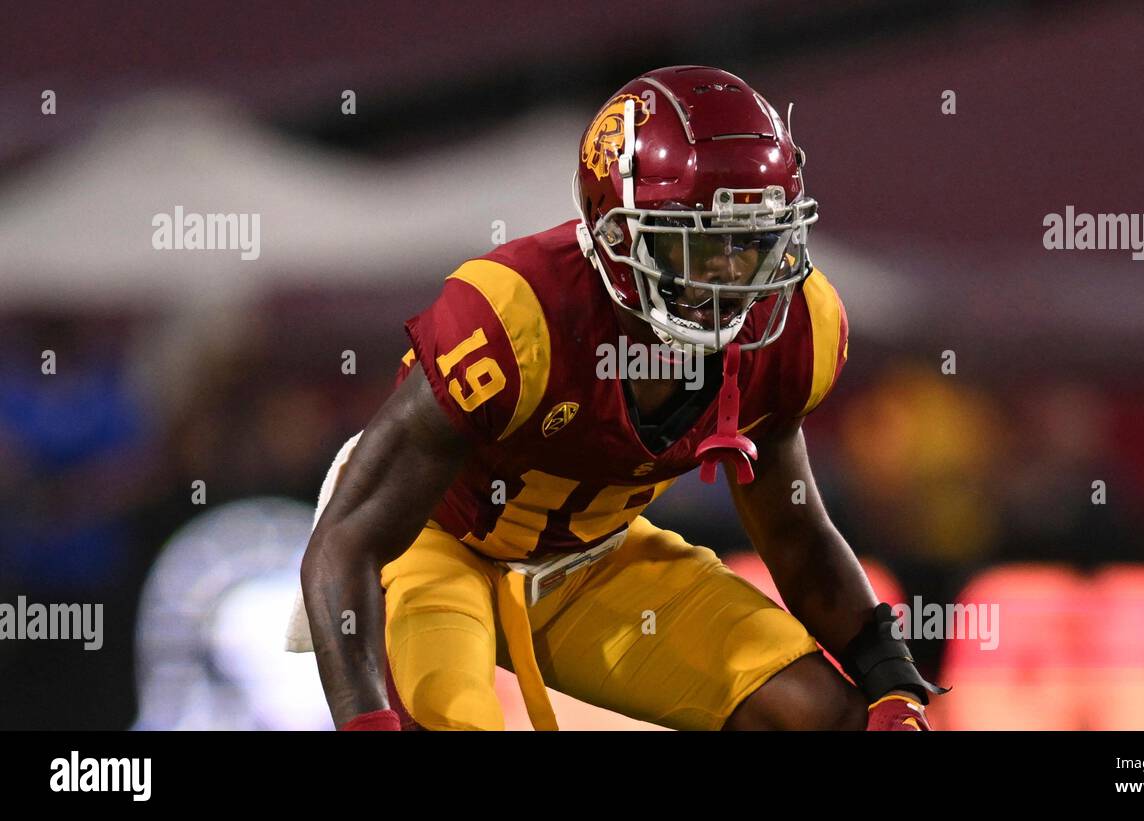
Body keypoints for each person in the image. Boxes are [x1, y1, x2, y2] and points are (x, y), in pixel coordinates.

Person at [296, 65, 944, 731]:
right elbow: (346, 541)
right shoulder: (518, 316)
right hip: (435, 542)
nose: (728, 274)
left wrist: (891, 680)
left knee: (820, 716)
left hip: (591, 557)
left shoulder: (795, 330)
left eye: (750, 241)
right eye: (697, 244)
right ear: (617, 233)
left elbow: (795, 532)